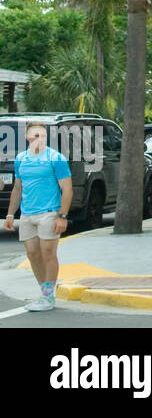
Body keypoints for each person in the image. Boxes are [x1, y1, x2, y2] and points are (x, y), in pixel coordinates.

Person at [2, 122, 73, 312]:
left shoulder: (55, 158)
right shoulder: (21, 159)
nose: (37, 139)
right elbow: (18, 188)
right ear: (27, 137)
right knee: (33, 254)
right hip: (27, 214)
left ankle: (48, 297)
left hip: (49, 212)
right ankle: (45, 291)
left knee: (48, 253)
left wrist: (62, 216)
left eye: (41, 135)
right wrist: (10, 214)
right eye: (34, 135)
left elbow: (67, 189)